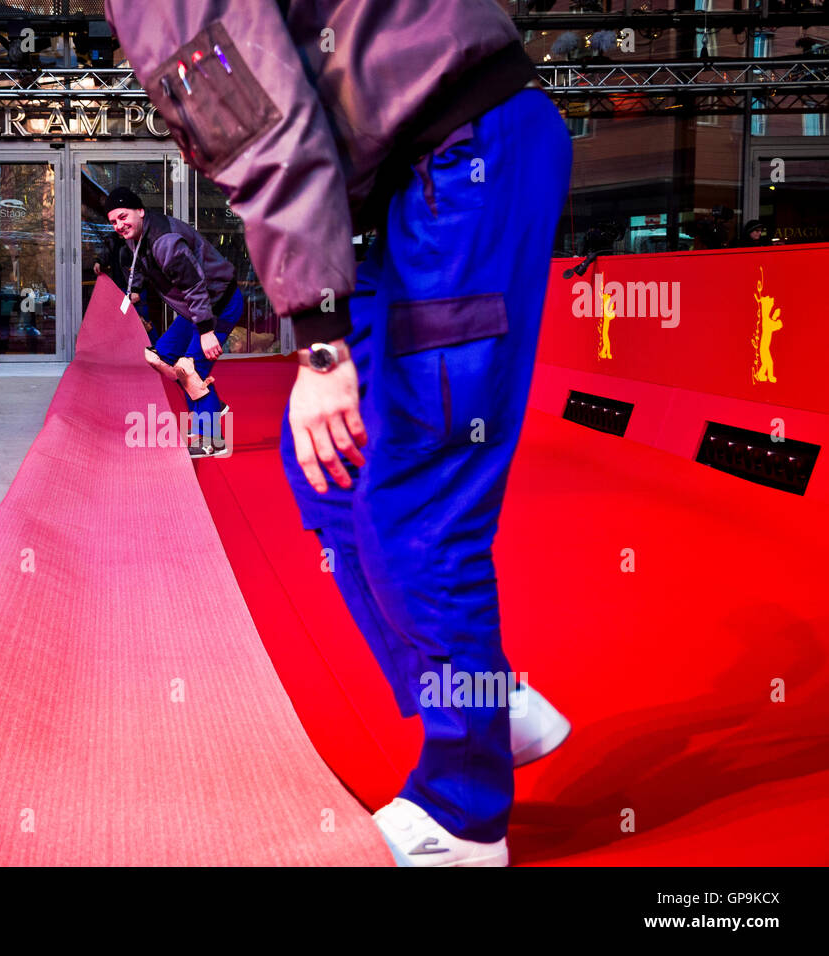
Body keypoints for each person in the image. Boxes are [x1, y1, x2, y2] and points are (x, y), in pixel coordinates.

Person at [105, 0, 572, 865]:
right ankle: (480, 705)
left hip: (459, 159)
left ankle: (464, 810)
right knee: (327, 468)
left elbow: (264, 136)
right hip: (416, 176)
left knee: (413, 496)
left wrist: (320, 346)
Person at [100, 186, 242, 458]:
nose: (119, 225)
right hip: (196, 308)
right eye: (114, 221)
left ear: (139, 211)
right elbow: (139, 262)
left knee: (191, 369)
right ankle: (211, 402)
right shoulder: (138, 233)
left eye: (123, 217)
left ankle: (213, 439)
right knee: (160, 356)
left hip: (217, 304)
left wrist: (206, 331)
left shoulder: (165, 242)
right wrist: (136, 289)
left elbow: (195, 286)